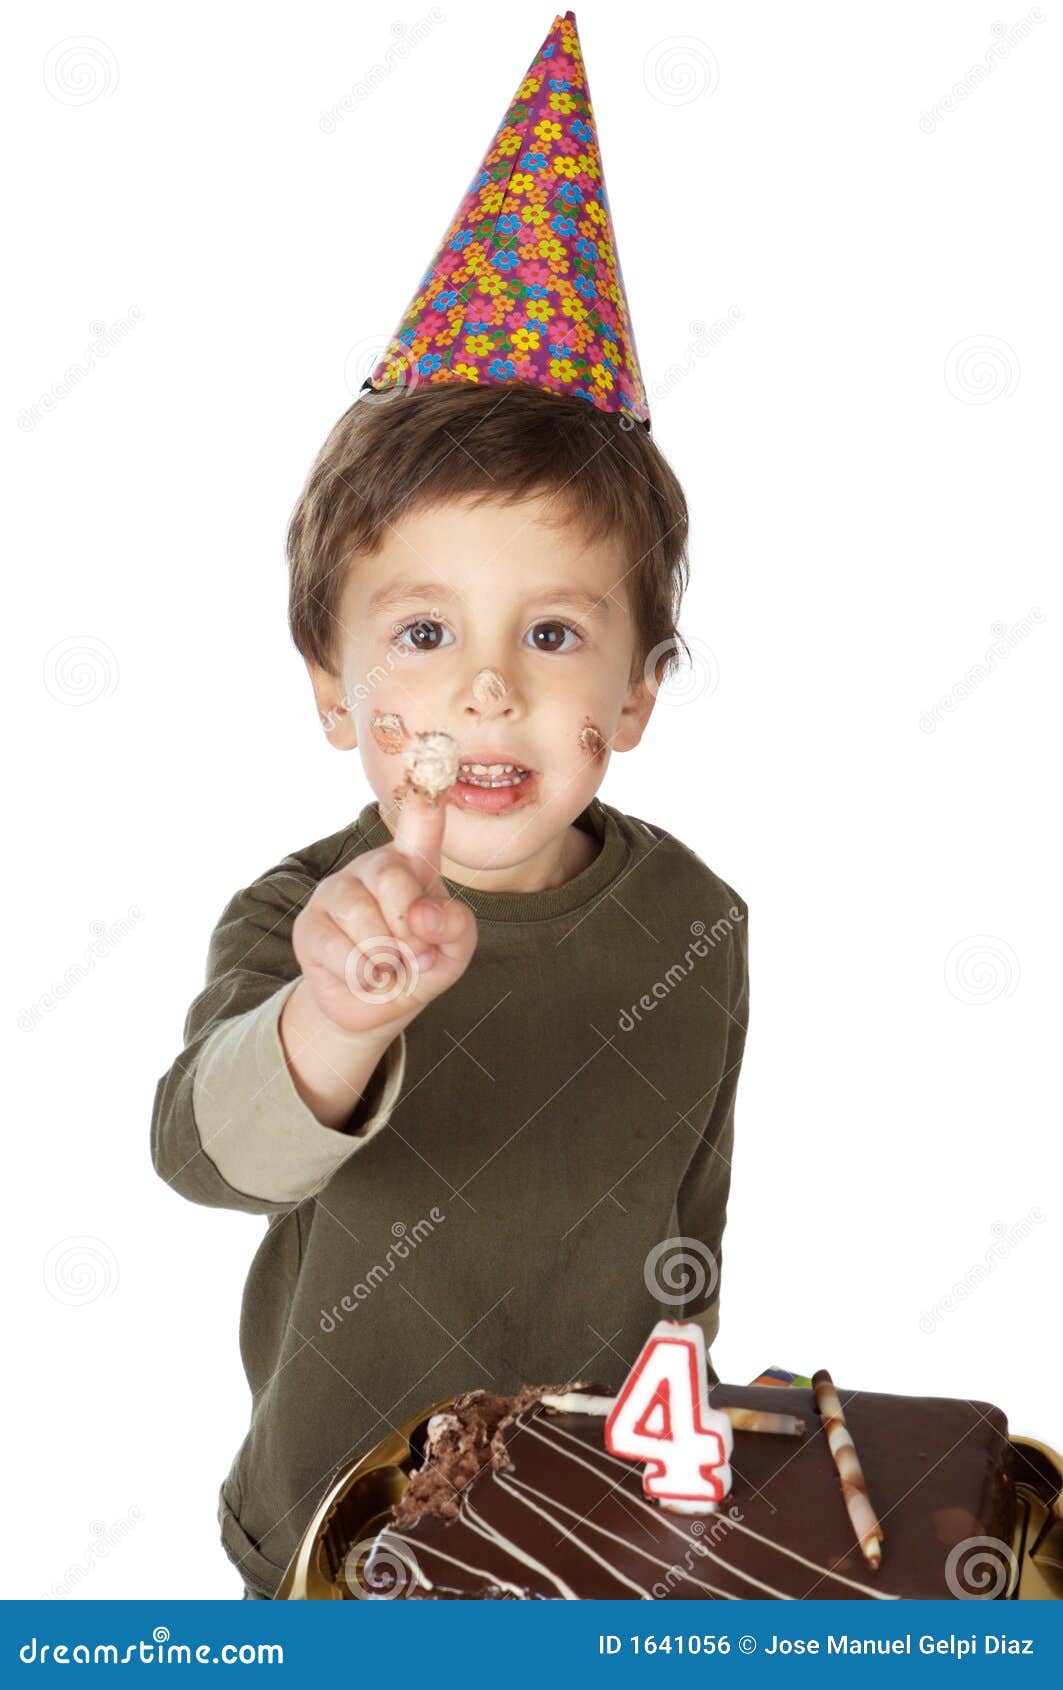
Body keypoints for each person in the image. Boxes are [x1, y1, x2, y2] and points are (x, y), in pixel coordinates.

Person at [150, 14, 749, 1600]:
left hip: (588, 1537)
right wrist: (336, 1018)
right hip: (339, 1531)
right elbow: (206, 1153)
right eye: (425, 632)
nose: (488, 690)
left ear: (633, 694)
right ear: (332, 687)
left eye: (550, 635)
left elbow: (688, 1224)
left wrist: (678, 1474)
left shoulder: (699, 924)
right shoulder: (300, 918)